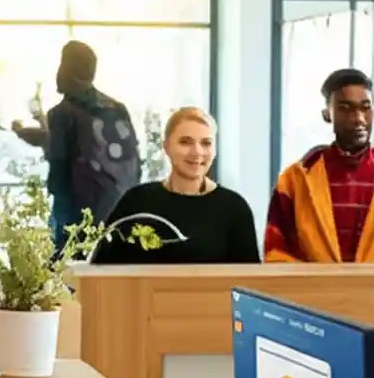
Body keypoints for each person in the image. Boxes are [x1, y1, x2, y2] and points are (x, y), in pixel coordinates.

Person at [265, 68, 374, 264]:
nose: (359, 118)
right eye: (345, 108)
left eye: (365, 107)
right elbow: (276, 253)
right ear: (327, 114)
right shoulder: (294, 179)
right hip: (309, 285)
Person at [12, 41, 141, 247]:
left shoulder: (62, 112)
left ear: (68, 70)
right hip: (120, 214)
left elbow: (58, 166)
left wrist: (59, 229)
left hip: (79, 219)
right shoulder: (117, 108)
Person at [94, 107, 259, 264]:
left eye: (206, 143)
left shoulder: (234, 208)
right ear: (166, 147)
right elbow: (101, 270)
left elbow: (249, 279)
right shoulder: (135, 201)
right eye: (185, 142)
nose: (197, 152)